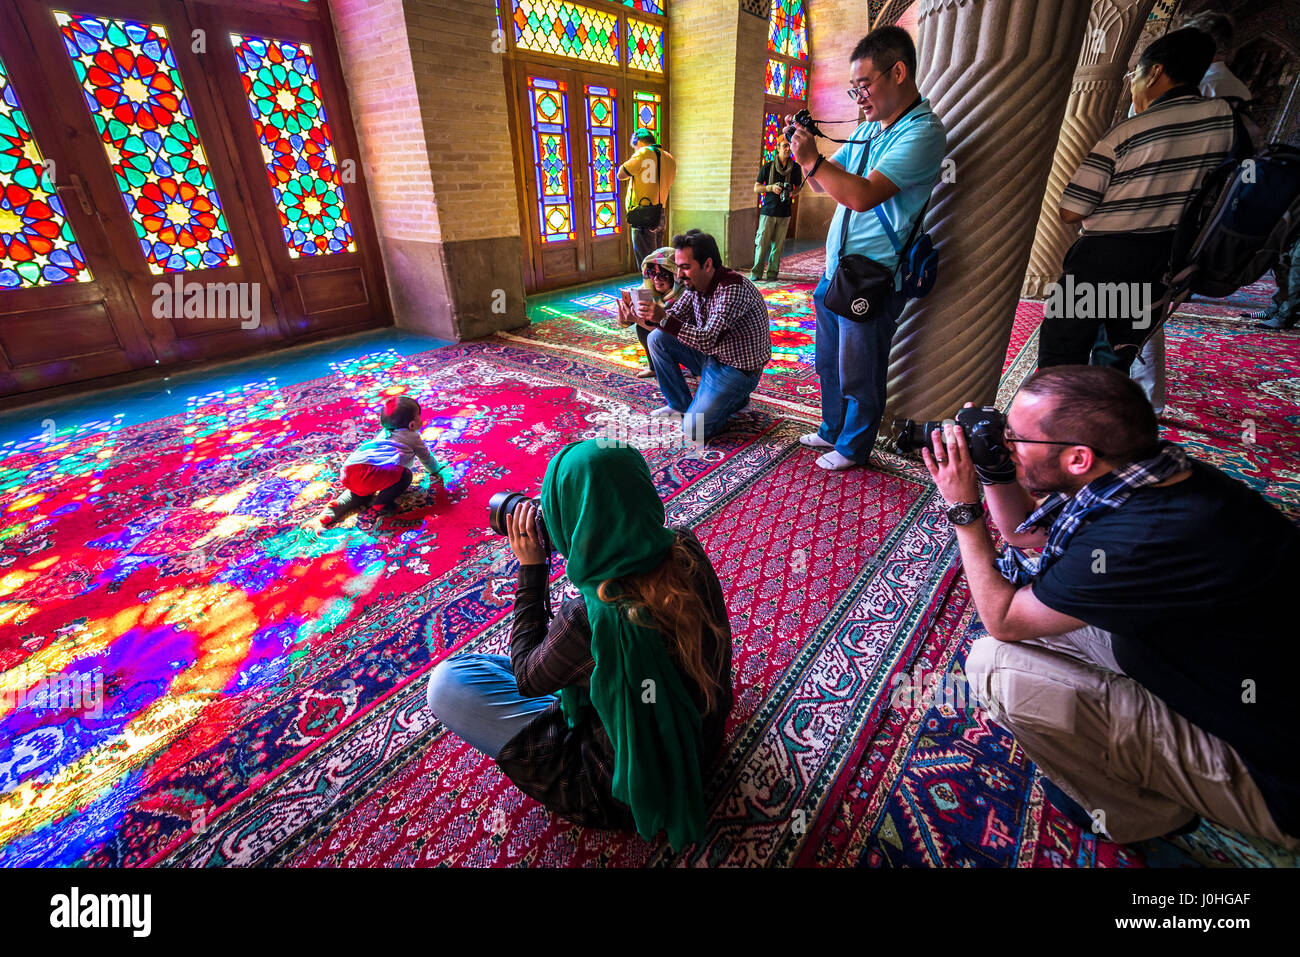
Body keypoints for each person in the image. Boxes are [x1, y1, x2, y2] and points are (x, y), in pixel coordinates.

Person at [923, 365, 1299, 849]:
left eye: (1016, 438)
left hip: (1272, 777)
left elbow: (1004, 618)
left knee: (996, 666)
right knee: (1047, 615)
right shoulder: (1151, 475)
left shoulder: (1137, 539)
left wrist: (963, 511)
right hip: (1227, 673)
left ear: (1078, 458)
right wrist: (996, 469)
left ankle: (1146, 816)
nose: (1007, 444)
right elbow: (1024, 535)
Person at [425, 441, 734, 848]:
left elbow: (526, 679)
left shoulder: (592, 618)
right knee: (579, 665)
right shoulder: (684, 545)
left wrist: (532, 570)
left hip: (616, 787)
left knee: (450, 681)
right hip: (699, 739)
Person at [787, 26, 947, 471]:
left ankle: (854, 448)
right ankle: (832, 429)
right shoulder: (873, 129)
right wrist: (804, 153)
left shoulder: (922, 133)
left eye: (864, 85)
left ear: (898, 72)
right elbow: (825, 181)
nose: (857, 96)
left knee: (860, 367)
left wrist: (813, 160)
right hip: (838, 268)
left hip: (874, 274)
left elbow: (861, 196)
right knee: (828, 360)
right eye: (852, 87)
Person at [1042, 28, 1235, 379]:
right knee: (1117, 353)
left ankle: (1052, 424)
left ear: (1156, 72)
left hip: (1102, 261)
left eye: (1136, 76)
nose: (1133, 85)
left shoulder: (1128, 132)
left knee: (1062, 353)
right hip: (1163, 259)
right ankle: (1106, 424)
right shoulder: (1226, 120)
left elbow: (1072, 210)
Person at [632, 229, 772, 442]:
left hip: (737, 369)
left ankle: (736, 398)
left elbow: (707, 339)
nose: (679, 275)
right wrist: (640, 317)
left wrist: (663, 318)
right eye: (678, 267)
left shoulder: (732, 289)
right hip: (712, 356)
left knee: (693, 431)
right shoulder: (694, 283)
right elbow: (674, 317)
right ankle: (679, 404)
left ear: (707, 264)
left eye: (685, 267)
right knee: (657, 339)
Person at [317, 395, 439, 527]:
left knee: (361, 492)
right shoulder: (413, 437)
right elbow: (426, 458)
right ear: (412, 424)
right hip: (373, 472)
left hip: (349, 470)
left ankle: (335, 508)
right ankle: (383, 502)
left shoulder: (383, 433)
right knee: (405, 475)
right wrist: (436, 470)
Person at [617, 246, 685, 378]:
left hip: (685, 343)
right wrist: (624, 316)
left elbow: (670, 330)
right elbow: (624, 323)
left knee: (651, 330)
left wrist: (637, 318)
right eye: (652, 273)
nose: (655, 279)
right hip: (666, 337)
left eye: (663, 275)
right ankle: (654, 367)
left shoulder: (684, 294)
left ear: (675, 275)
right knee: (641, 328)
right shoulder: (647, 290)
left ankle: (697, 370)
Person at [617, 129, 677, 269]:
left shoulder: (643, 154)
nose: (636, 149)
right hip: (661, 213)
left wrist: (635, 156)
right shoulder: (669, 157)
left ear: (638, 142)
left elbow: (621, 174)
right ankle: (659, 288)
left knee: (647, 263)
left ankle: (649, 289)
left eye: (635, 146)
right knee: (657, 259)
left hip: (643, 215)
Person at [750, 139, 804, 282]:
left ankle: (772, 274)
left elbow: (798, 187)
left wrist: (792, 193)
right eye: (785, 146)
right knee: (761, 244)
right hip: (768, 211)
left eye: (789, 146)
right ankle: (756, 273)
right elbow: (756, 187)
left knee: (778, 247)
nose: (788, 149)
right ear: (778, 148)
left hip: (785, 212)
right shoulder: (768, 167)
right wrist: (771, 187)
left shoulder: (796, 168)